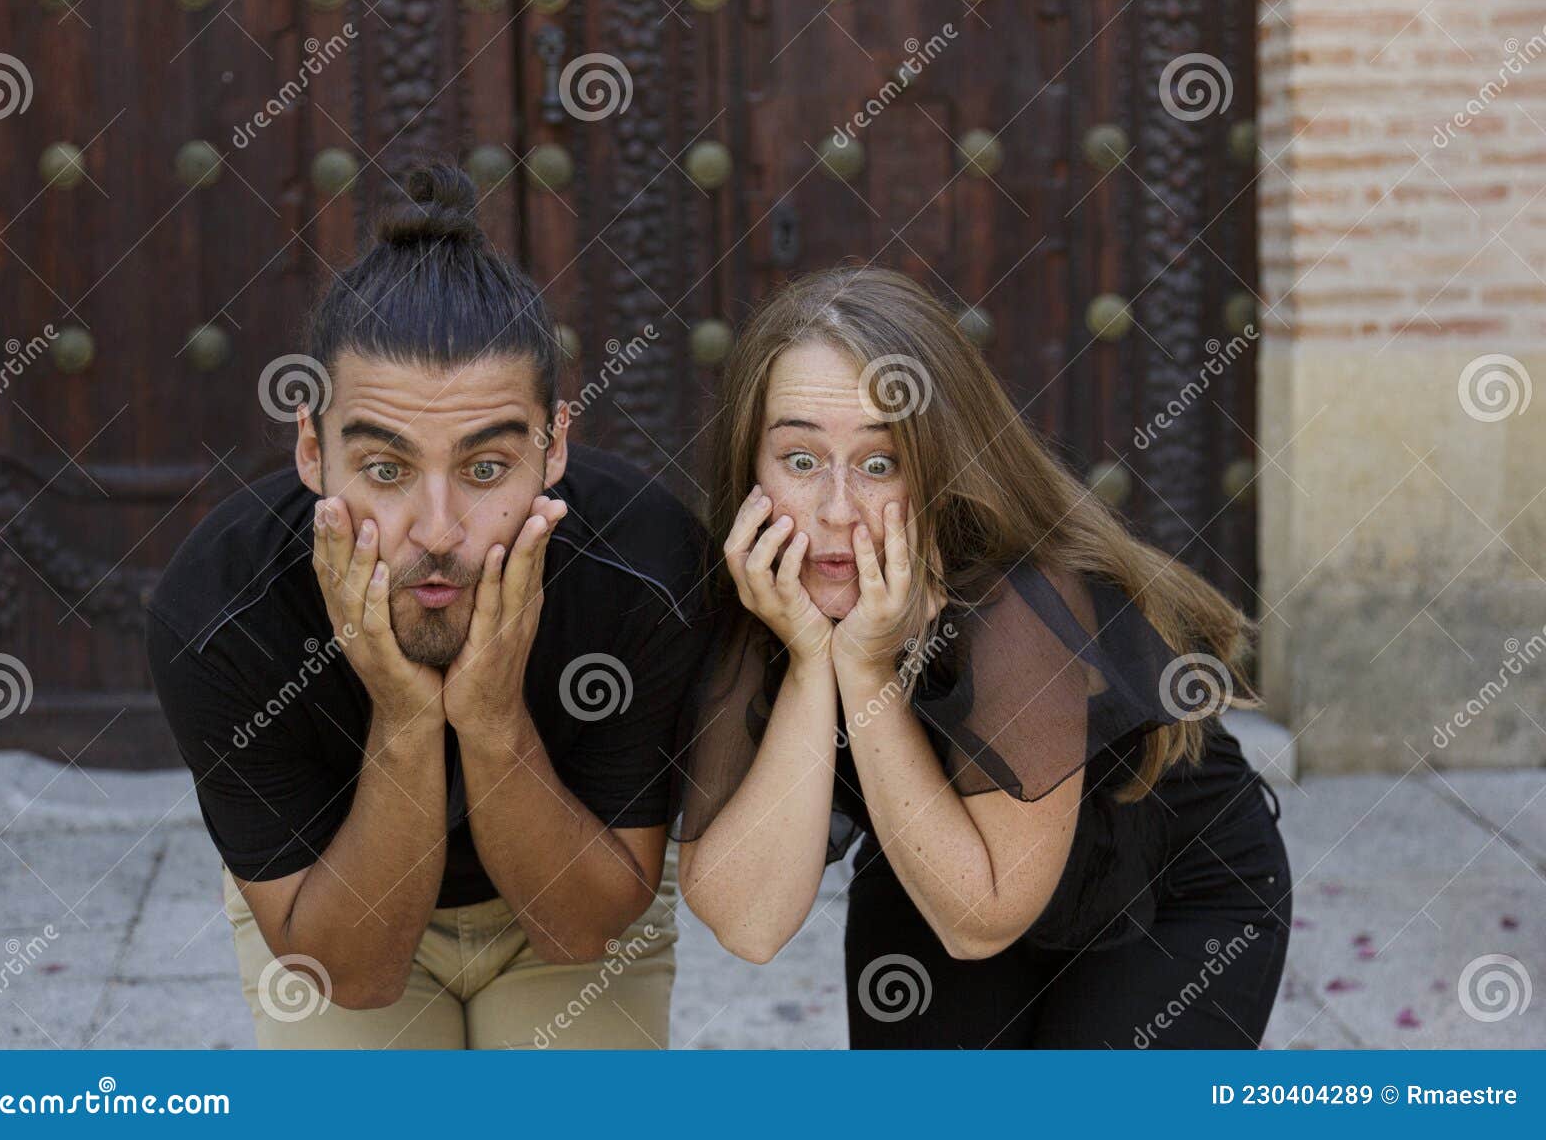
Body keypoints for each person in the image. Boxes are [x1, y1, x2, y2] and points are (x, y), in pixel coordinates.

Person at [145, 160, 708, 1049]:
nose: (438, 530)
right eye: (385, 469)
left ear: (553, 446)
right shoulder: (220, 609)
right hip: (336, 897)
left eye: (487, 468)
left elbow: (584, 931)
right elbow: (353, 973)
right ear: (311, 448)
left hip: (567, 888)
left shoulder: (644, 565)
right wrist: (407, 713)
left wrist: (488, 716)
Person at [673, 266, 1291, 1049]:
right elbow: (747, 922)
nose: (834, 509)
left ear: (938, 464)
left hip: (1166, 887)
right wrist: (808, 661)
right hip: (942, 854)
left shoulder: (1018, 599)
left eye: (878, 462)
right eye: (799, 459)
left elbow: (982, 919)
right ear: (751, 465)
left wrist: (864, 672)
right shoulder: (762, 588)